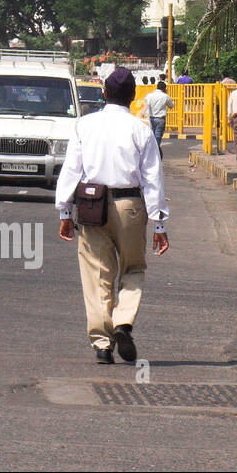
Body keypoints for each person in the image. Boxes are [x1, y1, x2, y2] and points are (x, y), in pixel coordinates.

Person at [56, 67, 169, 364]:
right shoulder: (141, 130)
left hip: (93, 206)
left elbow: (72, 170)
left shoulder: (84, 125)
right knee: (133, 268)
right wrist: (159, 223)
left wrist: (65, 211)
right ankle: (123, 321)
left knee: (97, 275)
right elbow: (152, 179)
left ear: (104, 93)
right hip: (130, 205)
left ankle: (102, 345)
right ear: (133, 97)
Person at [142, 78, 174, 149]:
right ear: (164, 89)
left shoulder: (149, 95)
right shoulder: (165, 96)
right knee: (158, 135)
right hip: (161, 118)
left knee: (152, 135)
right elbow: (171, 105)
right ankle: (155, 150)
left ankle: (152, 149)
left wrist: (143, 112)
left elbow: (146, 104)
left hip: (152, 118)